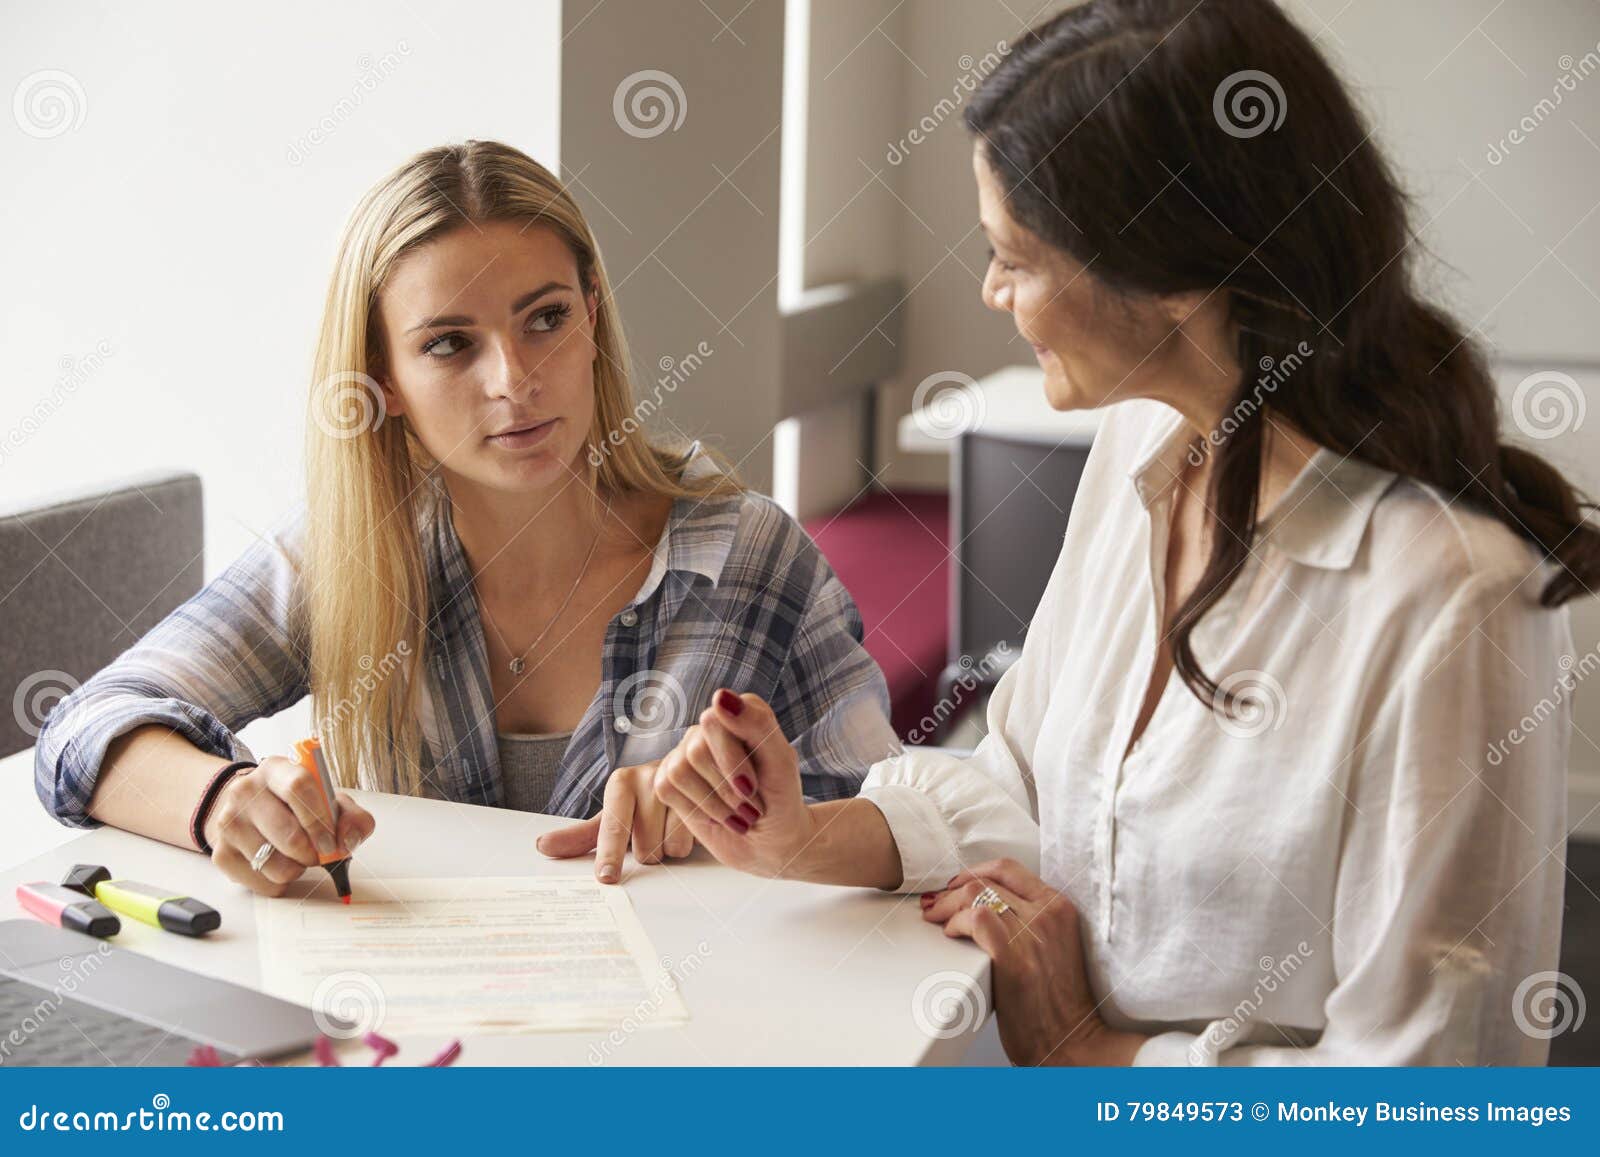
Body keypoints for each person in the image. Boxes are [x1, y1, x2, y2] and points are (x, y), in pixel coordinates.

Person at [639, 0, 1599, 1065]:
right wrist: (804, 833)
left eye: (1015, 254)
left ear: (1170, 273)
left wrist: (1098, 1055)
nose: (992, 290)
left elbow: (1429, 1090)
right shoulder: (1143, 445)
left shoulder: (1450, 597)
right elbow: (1027, 779)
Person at [34, 140, 895, 897]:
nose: (513, 381)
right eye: (450, 343)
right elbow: (84, 727)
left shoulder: (747, 557)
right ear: (382, 379)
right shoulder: (353, 554)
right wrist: (221, 800)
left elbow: (906, 819)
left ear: (593, 318)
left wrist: (750, 829)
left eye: (546, 319)